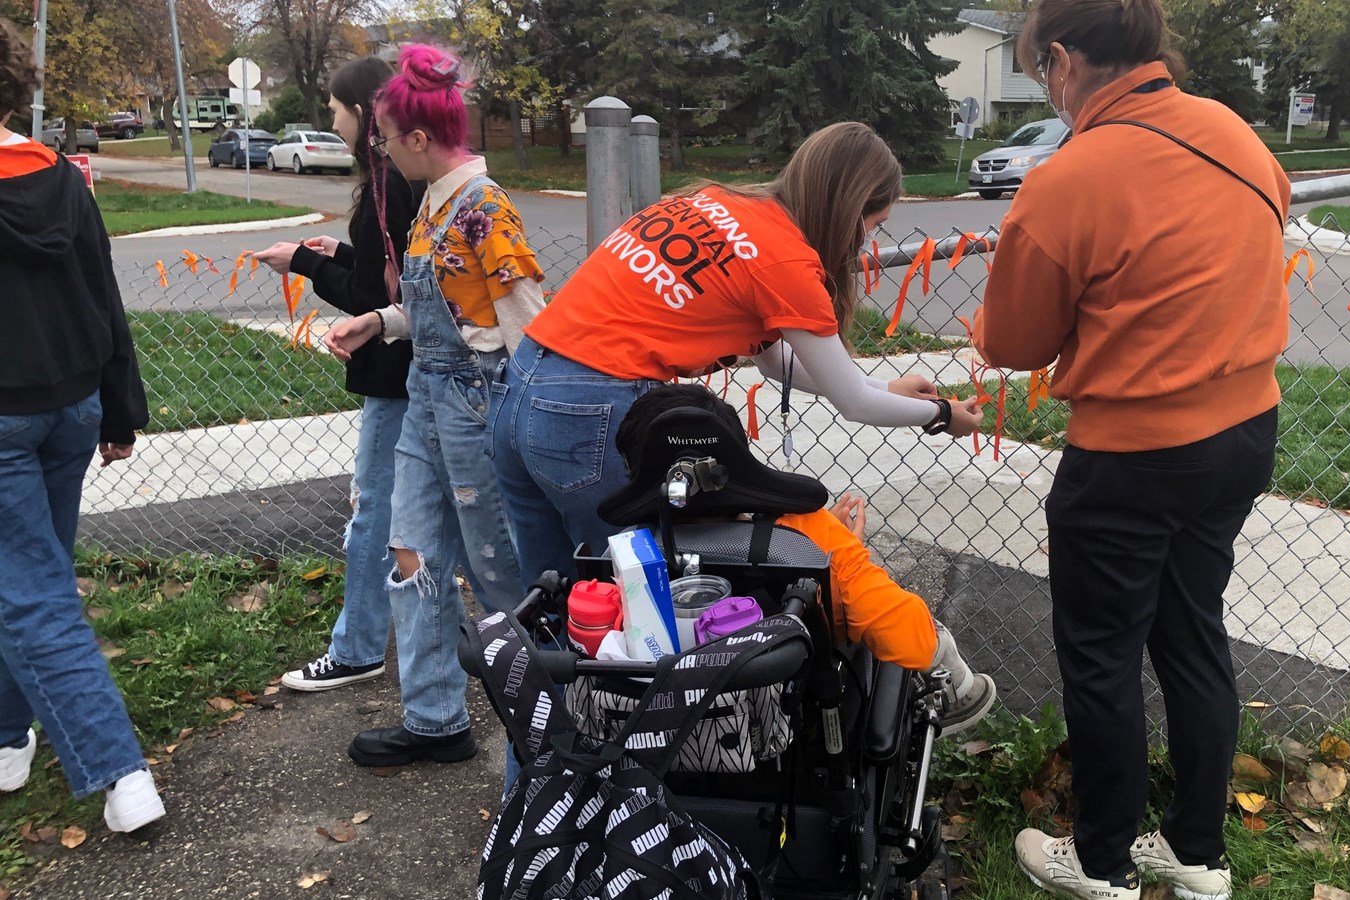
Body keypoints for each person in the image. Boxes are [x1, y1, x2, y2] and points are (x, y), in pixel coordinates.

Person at [974, 1, 1289, 897]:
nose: (1050, 89)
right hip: (1243, 431)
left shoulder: (1070, 178)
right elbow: (1265, 217)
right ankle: (1197, 854)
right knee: (1192, 635)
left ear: (1064, 60)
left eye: (1042, 72)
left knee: (1102, 654)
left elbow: (1018, 343)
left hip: (1132, 453)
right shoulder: (1229, 129)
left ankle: (1102, 861)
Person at [490, 121, 983, 590]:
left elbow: (777, 364)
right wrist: (941, 413)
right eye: (874, 223)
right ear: (849, 209)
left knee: (554, 600)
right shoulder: (785, 259)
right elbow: (853, 404)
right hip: (594, 409)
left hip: (521, 384)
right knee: (636, 603)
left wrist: (888, 388)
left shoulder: (719, 205)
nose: (868, 239)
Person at [323, 44, 544, 768]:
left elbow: (522, 322)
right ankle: (435, 718)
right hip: (424, 400)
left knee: (499, 572)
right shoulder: (433, 204)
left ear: (419, 140)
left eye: (387, 138)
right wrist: (381, 323)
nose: (381, 149)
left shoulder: (483, 210)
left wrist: (527, 423)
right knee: (410, 550)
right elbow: (445, 307)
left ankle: (546, 717)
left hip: (479, 411)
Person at [0, 19, 165, 832]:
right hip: (72, 410)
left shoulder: (61, 176)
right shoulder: (59, 175)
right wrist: (119, 408)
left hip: (13, 422)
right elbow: (101, 295)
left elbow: (97, 289)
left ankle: (120, 772)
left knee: (31, 593)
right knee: (25, 579)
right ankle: (6, 737)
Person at [613, 384, 996, 733]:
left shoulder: (629, 552)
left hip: (667, 725)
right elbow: (897, 627)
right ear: (739, 462)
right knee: (916, 623)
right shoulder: (806, 534)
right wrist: (843, 553)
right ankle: (962, 694)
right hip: (796, 722)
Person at [251, 57, 421, 694]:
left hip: (396, 375)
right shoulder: (401, 179)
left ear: (363, 112)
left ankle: (356, 649)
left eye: (334, 108)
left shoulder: (387, 184)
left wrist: (300, 261)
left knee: (372, 513)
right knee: (428, 513)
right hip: (417, 369)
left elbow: (371, 301)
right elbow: (389, 275)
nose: (330, 119)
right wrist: (340, 252)